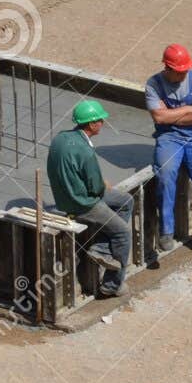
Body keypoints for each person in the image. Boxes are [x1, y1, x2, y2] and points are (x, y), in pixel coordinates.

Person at [46, 100, 132, 297]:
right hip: (83, 203)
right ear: (92, 124)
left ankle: (102, 248)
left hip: (66, 196)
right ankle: (112, 285)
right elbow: (96, 188)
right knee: (123, 233)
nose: (103, 123)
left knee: (126, 201)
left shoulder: (61, 138)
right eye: (101, 120)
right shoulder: (86, 151)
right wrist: (102, 186)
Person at [145, 43, 192, 262]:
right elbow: (158, 118)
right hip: (169, 137)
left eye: (185, 69)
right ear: (168, 68)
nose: (183, 73)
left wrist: (172, 114)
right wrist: (188, 109)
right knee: (165, 175)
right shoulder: (153, 84)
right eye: (179, 71)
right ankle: (166, 230)